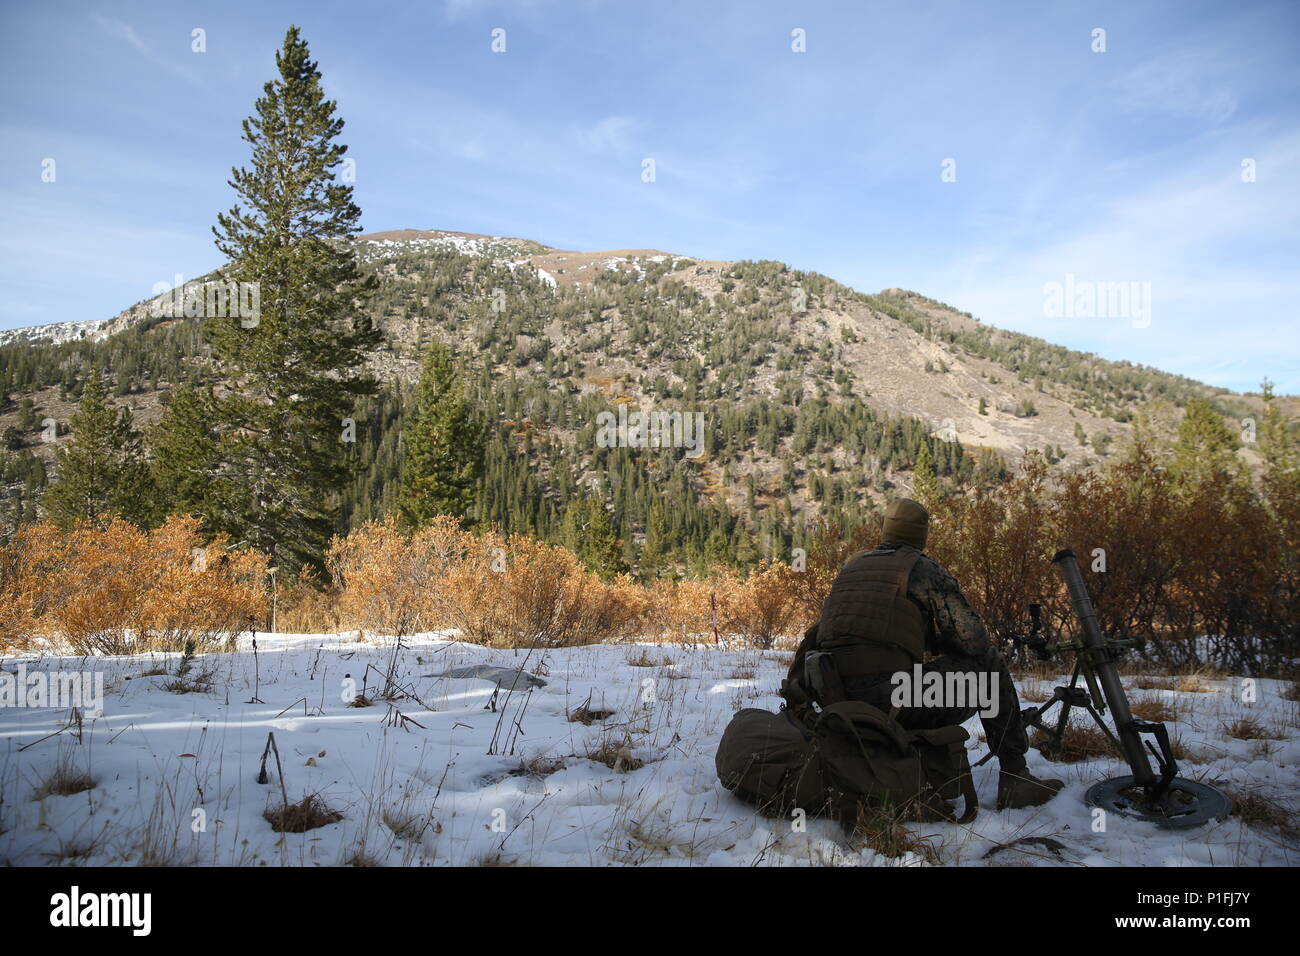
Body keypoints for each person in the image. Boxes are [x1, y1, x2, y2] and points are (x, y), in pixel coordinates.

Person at [789, 498, 1063, 811]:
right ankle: (1015, 777)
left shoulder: (852, 568)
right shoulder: (921, 569)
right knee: (988, 664)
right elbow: (974, 642)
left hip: (837, 700)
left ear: (886, 530)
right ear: (922, 534)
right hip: (894, 701)